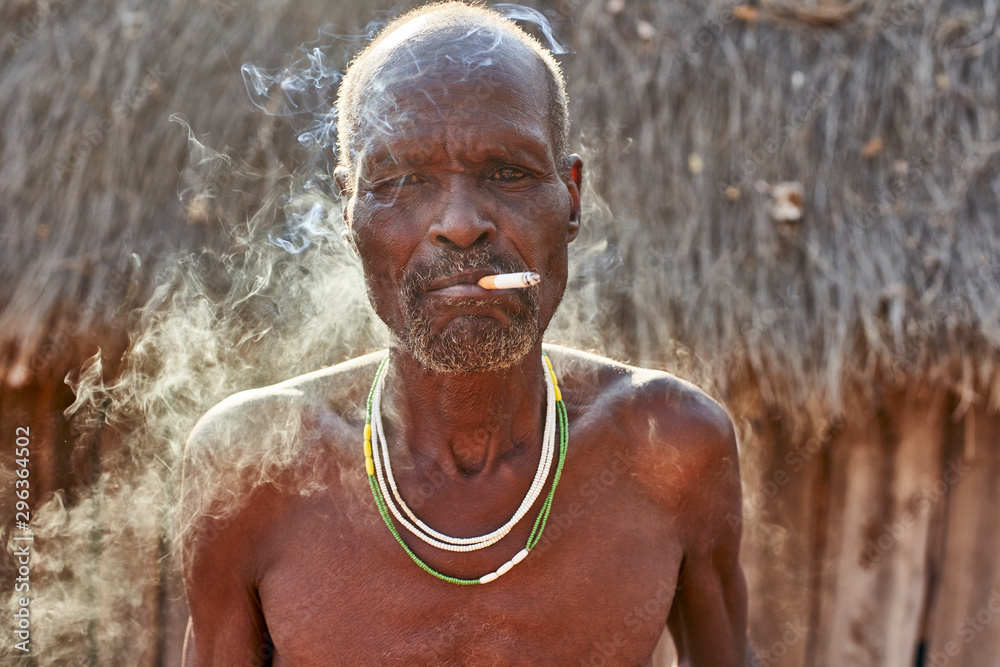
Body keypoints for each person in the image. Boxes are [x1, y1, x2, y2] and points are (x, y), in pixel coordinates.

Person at [181, 2, 753, 665]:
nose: (458, 222)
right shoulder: (254, 469)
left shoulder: (671, 449)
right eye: (401, 180)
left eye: (507, 172)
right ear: (349, 209)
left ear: (570, 197)